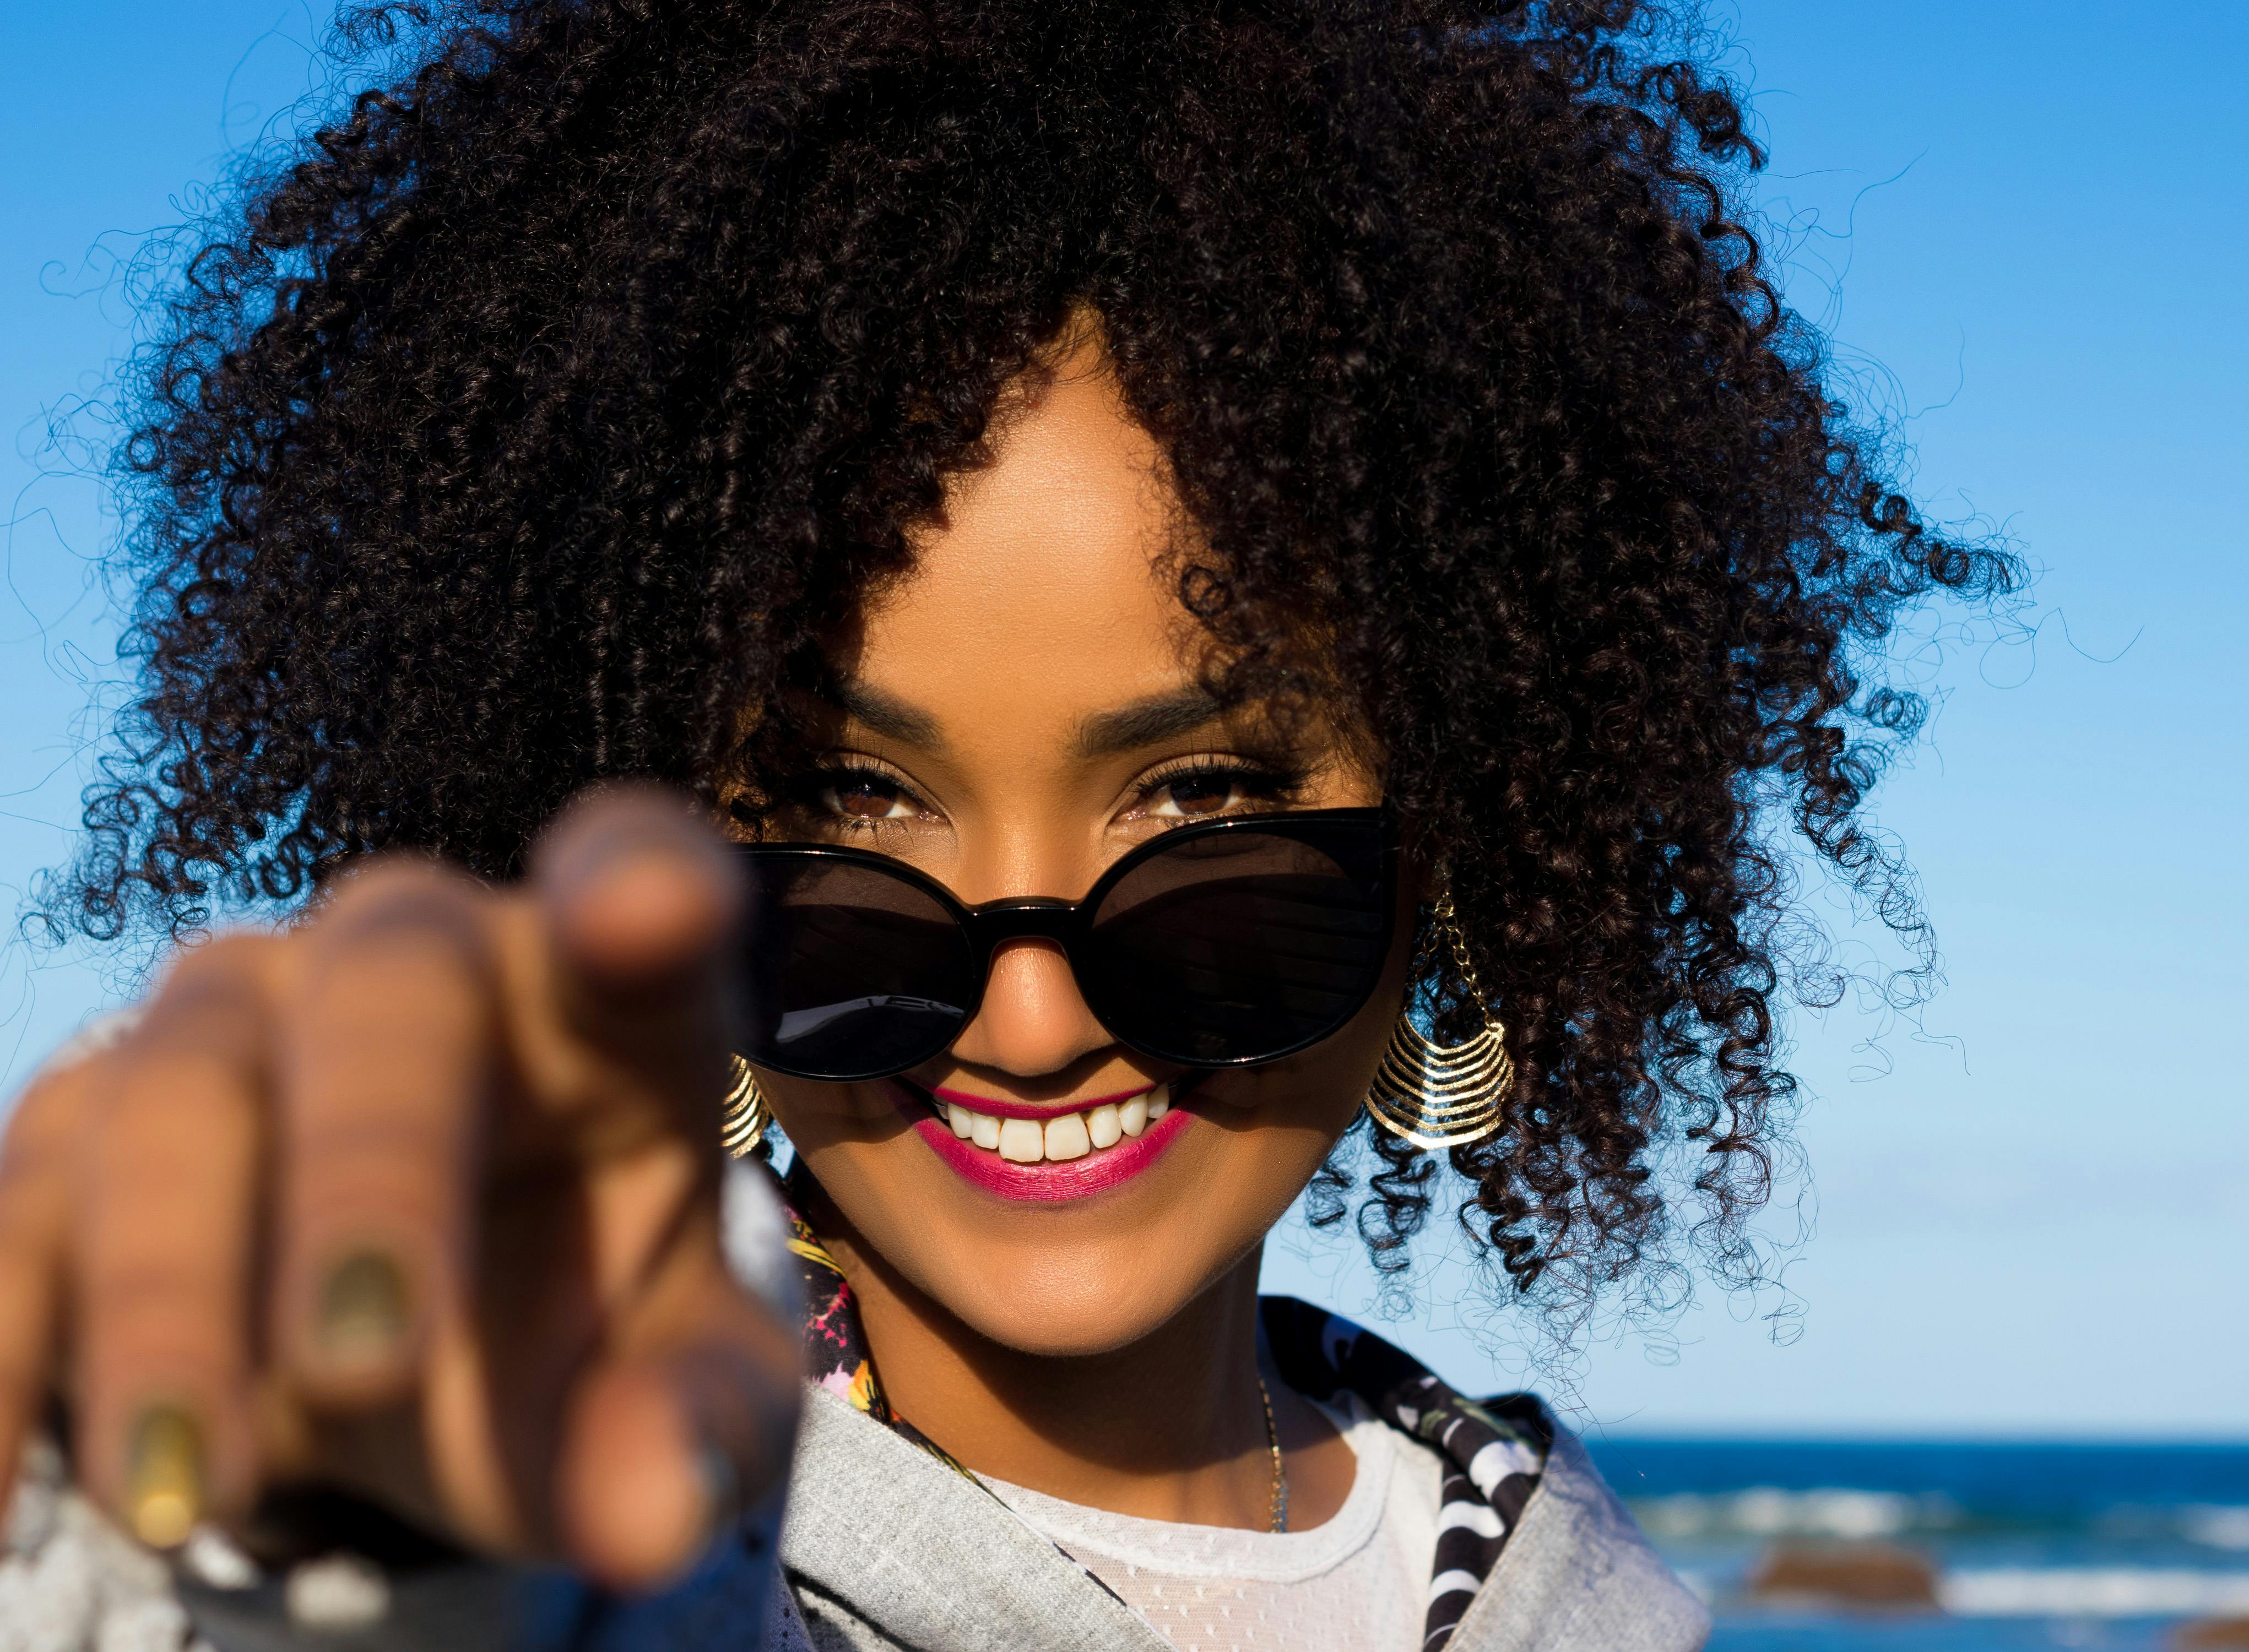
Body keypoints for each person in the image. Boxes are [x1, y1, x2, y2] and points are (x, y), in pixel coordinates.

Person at [0, 1, 2014, 1647]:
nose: (1033, 1020)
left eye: (1208, 807)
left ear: (1456, 852)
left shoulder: (1583, 1607)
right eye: (845, 818)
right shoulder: (622, 1564)